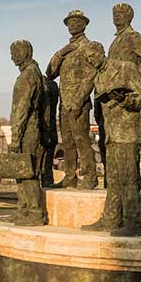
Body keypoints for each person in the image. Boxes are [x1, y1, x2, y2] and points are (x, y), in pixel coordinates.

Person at [83, 41, 141, 237]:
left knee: (128, 179)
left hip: (127, 133)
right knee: (112, 179)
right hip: (111, 134)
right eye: (88, 59)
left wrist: (124, 99)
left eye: (93, 56)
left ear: (101, 52)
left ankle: (133, 223)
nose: (91, 60)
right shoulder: (99, 77)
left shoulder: (125, 67)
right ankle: (110, 219)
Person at [95, 3, 141, 186]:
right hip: (111, 103)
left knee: (127, 162)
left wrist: (134, 80)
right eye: (114, 13)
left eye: (122, 13)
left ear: (129, 17)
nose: (117, 16)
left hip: (124, 99)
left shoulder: (131, 37)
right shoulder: (117, 39)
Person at [46, 10, 104, 189]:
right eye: (69, 23)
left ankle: (90, 177)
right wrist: (61, 53)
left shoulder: (90, 46)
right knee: (68, 141)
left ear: (84, 24)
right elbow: (50, 73)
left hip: (79, 102)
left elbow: (94, 73)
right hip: (64, 103)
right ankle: (70, 177)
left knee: (82, 139)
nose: (72, 25)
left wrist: (79, 99)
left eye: (76, 22)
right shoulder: (66, 51)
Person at [2, 39, 47, 226]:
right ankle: (23, 208)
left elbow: (22, 108)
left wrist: (16, 137)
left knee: (27, 170)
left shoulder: (28, 75)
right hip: (29, 126)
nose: (12, 56)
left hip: (28, 128)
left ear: (25, 53)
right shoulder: (32, 72)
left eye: (15, 52)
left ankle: (35, 212)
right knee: (21, 171)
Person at [40, 77, 59, 187]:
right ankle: (47, 186)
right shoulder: (54, 86)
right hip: (52, 130)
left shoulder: (45, 87)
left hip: (45, 131)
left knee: (41, 165)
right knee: (47, 166)